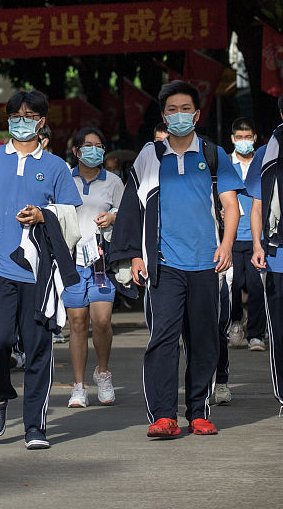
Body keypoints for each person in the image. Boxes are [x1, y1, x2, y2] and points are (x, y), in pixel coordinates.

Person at [109, 79, 241, 438]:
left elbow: (232, 206)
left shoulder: (214, 155)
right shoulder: (150, 156)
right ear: (163, 116)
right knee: (163, 340)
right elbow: (131, 209)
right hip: (164, 265)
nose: (179, 115)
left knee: (204, 340)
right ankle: (164, 415)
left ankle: (198, 412)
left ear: (196, 115)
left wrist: (226, 245)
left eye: (185, 109)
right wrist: (135, 256)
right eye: (172, 110)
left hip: (206, 263)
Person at [0, 92, 82, 449]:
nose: (21, 120)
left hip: (40, 275)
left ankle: (35, 427)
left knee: (39, 348)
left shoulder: (57, 166)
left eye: (29, 115)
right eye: (15, 114)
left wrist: (44, 215)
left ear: (42, 121)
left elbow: (72, 214)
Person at [63, 127, 124, 408]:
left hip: (101, 260)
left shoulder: (113, 181)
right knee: (77, 323)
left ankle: (103, 373)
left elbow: (125, 214)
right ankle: (78, 385)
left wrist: (112, 218)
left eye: (99, 145)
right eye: (87, 145)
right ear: (76, 151)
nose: (93, 150)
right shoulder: (64, 178)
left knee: (101, 321)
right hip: (71, 259)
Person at [247, 95, 283, 411]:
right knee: (281, 329)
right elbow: (257, 206)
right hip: (278, 252)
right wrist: (258, 245)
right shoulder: (266, 154)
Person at [227, 118, 265, 351]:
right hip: (231, 237)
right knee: (233, 285)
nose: (243, 141)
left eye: (247, 137)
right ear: (232, 139)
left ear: (254, 138)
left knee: (256, 285)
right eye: (239, 137)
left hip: (256, 238)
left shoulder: (260, 164)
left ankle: (256, 334)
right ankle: (235, 322)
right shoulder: (224, 165)